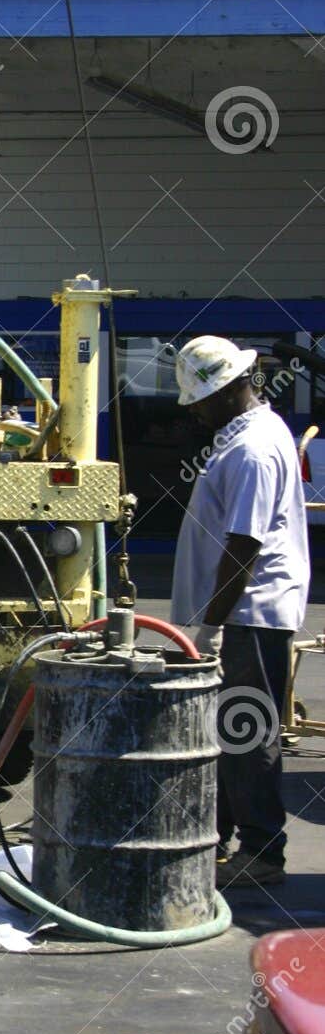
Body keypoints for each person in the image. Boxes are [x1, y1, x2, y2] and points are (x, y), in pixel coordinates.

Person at [171, 336, 310, 888]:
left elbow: (243, 545)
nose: (197, 412)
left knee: (246, 732)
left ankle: (262, 851)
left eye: (200, 400)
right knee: (225, 734)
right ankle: (223, 839)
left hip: (248, 614)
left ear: (227, 390)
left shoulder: (253, 449)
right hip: (240, 612)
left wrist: (211, 626)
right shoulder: (248, 437)